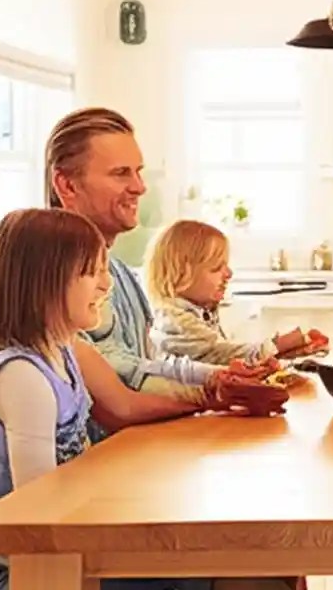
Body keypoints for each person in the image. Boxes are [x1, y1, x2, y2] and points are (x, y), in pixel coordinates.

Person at [0, 208, 290, 590]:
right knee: (254, 575)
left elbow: (129, 396)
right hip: (42, 575)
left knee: (260, 561)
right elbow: (39, 520)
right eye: (91, 272)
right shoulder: (23, 376)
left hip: (76, 551)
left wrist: (213, 390)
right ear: (45, 284)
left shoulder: (68, 349)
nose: (106, 285)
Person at [43, 107, 284, 433]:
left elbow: (149, 364)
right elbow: (116, 399)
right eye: (121, 173)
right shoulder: (49, 278)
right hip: (96, 469)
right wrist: (212, 392)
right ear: (67, 186)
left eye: (138, 172)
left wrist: (216, 378)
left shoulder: (122, 276)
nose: (140, 187)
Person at [144, 219, 320, 364]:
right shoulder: (175, 322)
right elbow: (225, 355)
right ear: (181, 274)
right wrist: (282, 344)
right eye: (216, 268)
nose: (229, 274)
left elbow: (223, 357)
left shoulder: (198, 311)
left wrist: (288, 351)